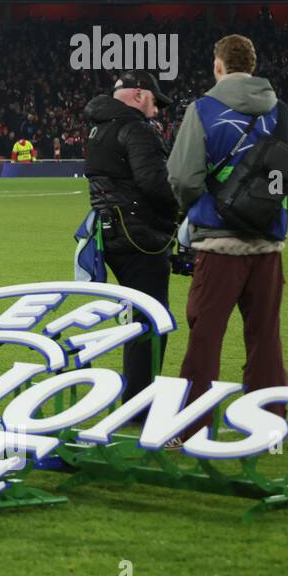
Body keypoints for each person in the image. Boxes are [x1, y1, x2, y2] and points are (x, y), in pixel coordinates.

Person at [167, 34, 288, 441]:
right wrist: (263, 205)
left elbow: (182, 178)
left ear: (218, 66)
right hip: (267, 248)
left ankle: (191, 429)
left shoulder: (203, 110)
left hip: (217, 245)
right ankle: (271, 428)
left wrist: (205, 207)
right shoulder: (284, 114)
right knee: (266, 339)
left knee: (205, 341)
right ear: (253, 64)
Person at [84, 70, 177, 403]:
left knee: (140, 315)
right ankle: (139, 405)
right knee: (152, 319)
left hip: (110, 233)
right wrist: (182, 212)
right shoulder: (135, 128)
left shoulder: (98, 127)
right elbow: (155, 183)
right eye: (154, 101)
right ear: (139, 95)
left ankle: (136, 398)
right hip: (140, 237)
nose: (157, 110)